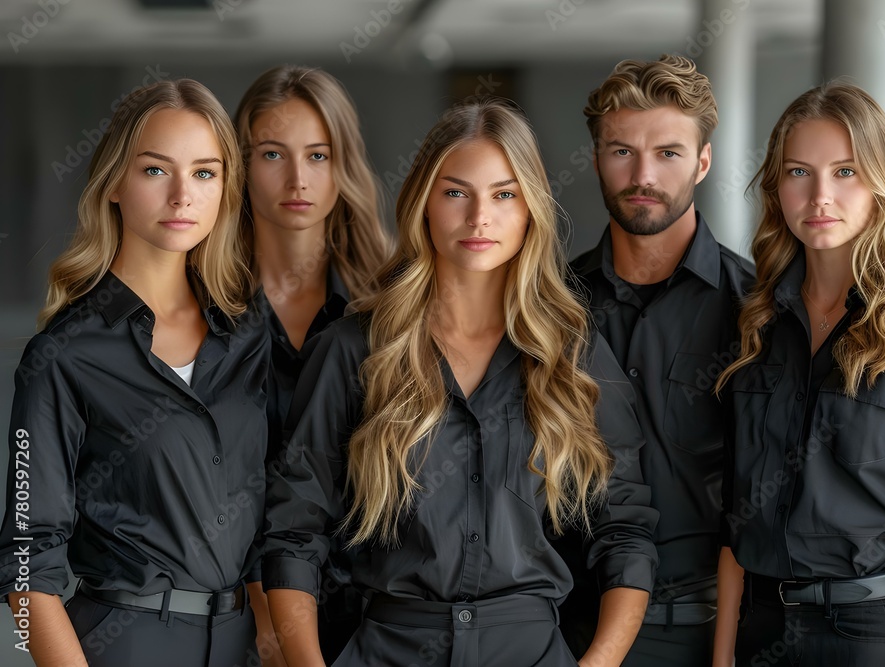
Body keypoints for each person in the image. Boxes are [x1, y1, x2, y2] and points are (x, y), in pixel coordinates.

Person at [262, 97, 658, 667]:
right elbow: (295, 531)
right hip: (387, 648)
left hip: (529, 649)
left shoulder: (571, 353)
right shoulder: (355, 349)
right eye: (456, 193)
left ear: (530, 211)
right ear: (423, 203)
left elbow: (624, 528)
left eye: (504, 195)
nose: (480, 218)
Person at [712, 82, 885, 667]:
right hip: (757, 630)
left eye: (846, 172)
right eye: (799, 172)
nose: (820, 195)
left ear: (882, 186)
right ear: (777, 188)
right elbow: (735, 519)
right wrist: (722, 658)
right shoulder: (756, 326)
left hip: (868, 636)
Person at [0, 80, 276, 666]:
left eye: (205, 173)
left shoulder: (251, 333)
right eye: (156, 171)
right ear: (115, 185)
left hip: (243, 644)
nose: (183, 195)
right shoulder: (65, 354)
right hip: (124, 643)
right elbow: (26, 559)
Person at [564, 54, 753, 666]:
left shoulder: (759, 311)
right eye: (622, 152)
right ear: (596, 157)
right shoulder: (547, 311)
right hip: (565, 626)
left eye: (668, 153)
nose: (643, 174)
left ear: (702, 161)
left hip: (711, 633)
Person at [234, 64, 392, 662]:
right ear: (241, 166)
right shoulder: (201, 311)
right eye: (272, 154)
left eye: (318, 156)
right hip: (238, 613)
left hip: (374, 616)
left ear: (342, 164)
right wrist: (264, 607)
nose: (297, 178)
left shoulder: (391, 308)